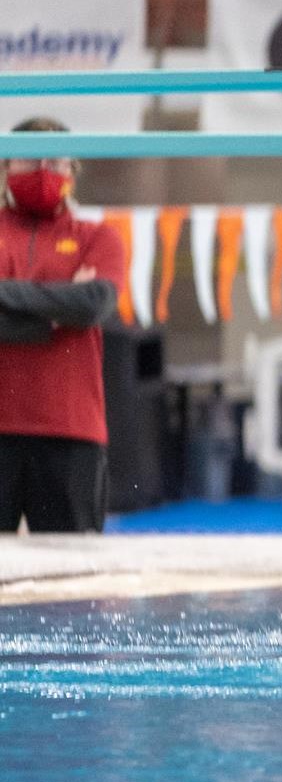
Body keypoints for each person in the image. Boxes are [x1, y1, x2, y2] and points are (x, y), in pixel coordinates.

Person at [0, 118, 128, 534]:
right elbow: (77, 306)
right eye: (29, 160)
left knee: (74, 586)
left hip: (71, 431)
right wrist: (55, 315)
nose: (42, 171)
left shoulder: (100, 238)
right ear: (5, 168)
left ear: (73, 172)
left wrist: (11, 301)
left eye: (54, 162)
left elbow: (94, 304)